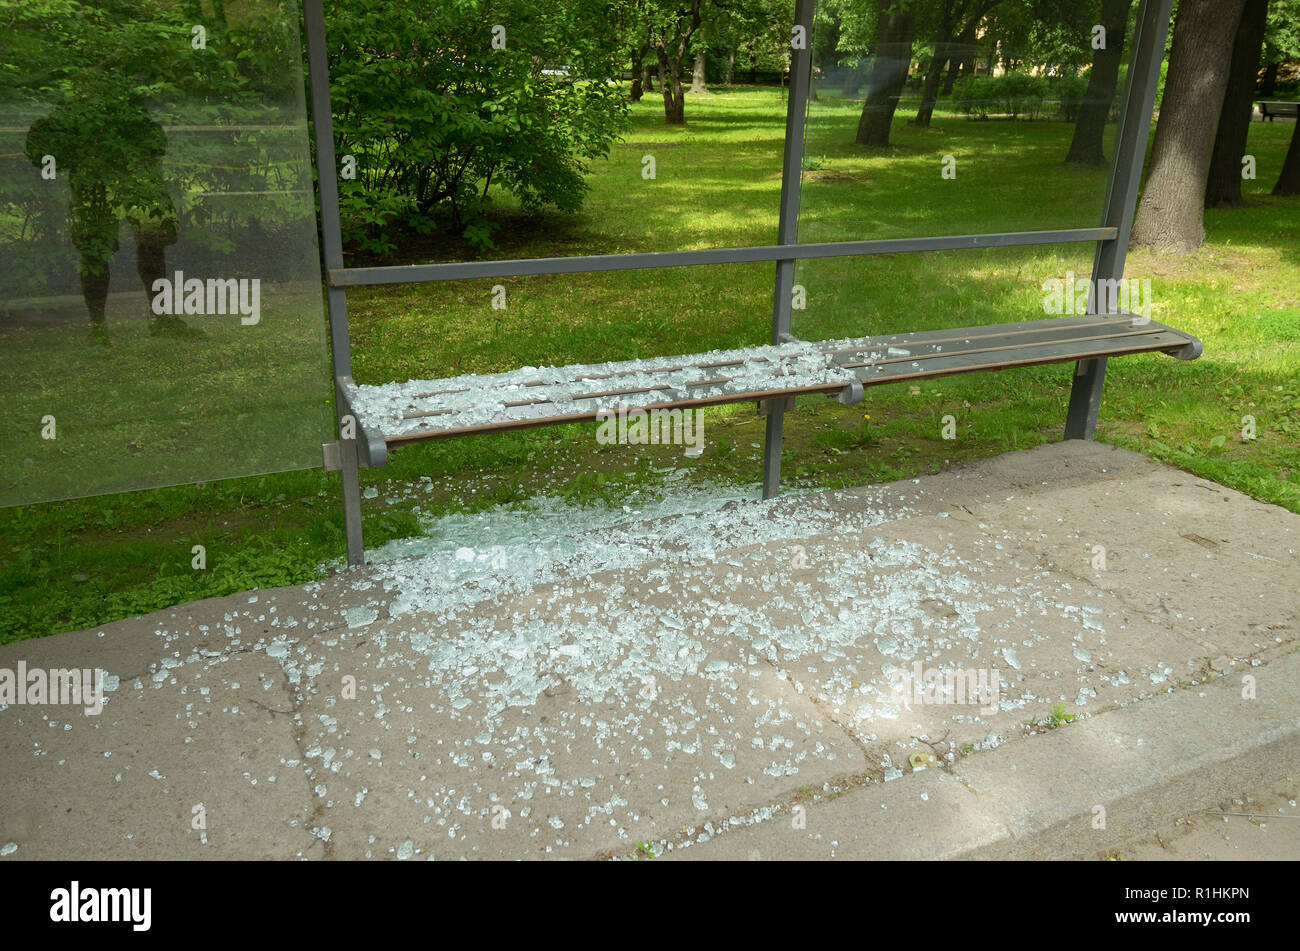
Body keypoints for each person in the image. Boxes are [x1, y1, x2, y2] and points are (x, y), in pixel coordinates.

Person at [25, 84, 199, 341]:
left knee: (152, 241)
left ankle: (161, 318)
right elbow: (44, 143)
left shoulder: (134, 77)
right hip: (93, 168)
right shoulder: (74, 84)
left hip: (135, 164)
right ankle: (98, 328)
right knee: (95, 247)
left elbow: (160, 111)